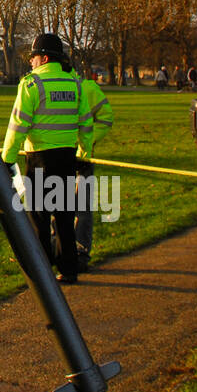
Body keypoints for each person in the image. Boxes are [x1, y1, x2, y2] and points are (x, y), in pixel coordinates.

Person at [1, 33, 93, 285]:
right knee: (64, 218)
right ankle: (69, 270)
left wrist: (7, 158)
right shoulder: (75, 84)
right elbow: (86, 123)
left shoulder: (31, 85)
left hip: (39, 159)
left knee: (39, 219)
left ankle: (43, 273)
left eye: (33, 57)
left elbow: (18, 124)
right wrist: (84, 154)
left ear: (42, 58)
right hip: (66, 157)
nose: (31, 62)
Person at [73, 66, 114, 272]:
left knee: (81, 207)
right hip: (59, 156)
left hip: (81, 158)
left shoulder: (87, 88)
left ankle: (80, 251)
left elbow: (105, 117)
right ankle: (61, 250)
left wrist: (86, 143)